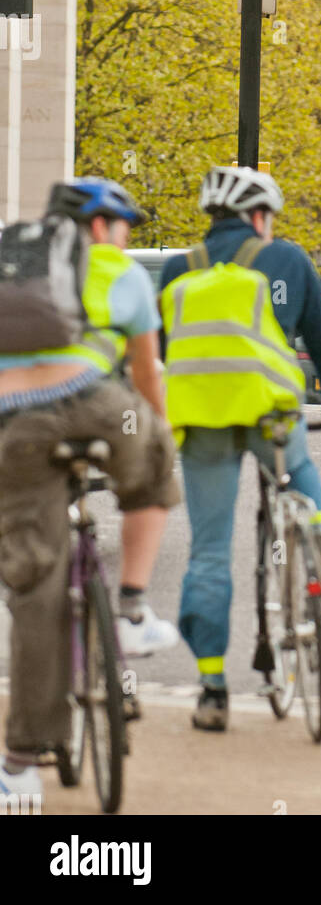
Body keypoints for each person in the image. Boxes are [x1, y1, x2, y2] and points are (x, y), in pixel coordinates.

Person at [0, 178, 180, 806]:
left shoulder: (11, 267)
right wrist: (158, 434)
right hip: (98, 409)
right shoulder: (118, 271)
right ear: (100, 226)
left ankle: (19, 763)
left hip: (15, 426)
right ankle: (131, 608)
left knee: (35, 591)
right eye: (123, 223)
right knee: (151, 458)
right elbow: (146, 374)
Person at [160, 165, 321, 732]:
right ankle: (316, 530)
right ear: (259, 216)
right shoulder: (287, 259)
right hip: (270, 411)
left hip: (202, 420)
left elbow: (158, 350)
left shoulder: (178, 269)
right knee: (297, 467)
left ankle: (213, 687)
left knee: (210, 552)